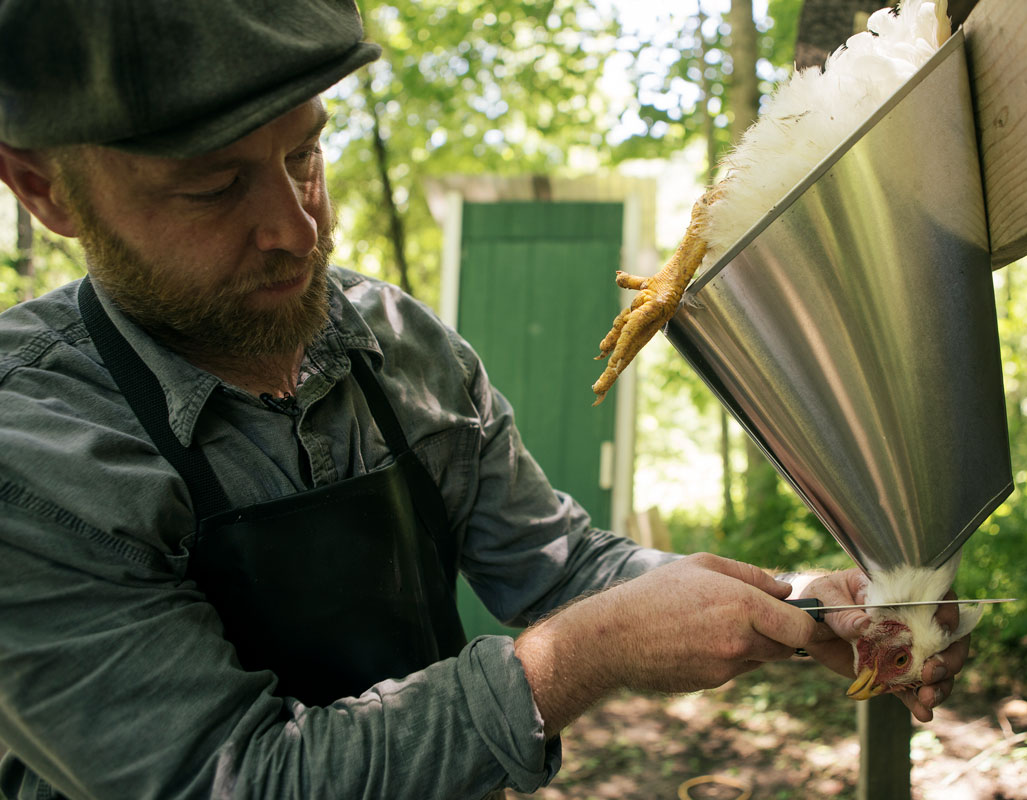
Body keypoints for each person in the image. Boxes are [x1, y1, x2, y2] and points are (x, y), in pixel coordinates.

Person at [0, 1, 969, 798]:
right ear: (45, 190)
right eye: (213, 188)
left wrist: (794, 606)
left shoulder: (399, 346)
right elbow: (230, 779)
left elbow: (559, 563)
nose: (295, 229)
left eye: (304, 156)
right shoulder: (31, 449)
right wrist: (581, 657)